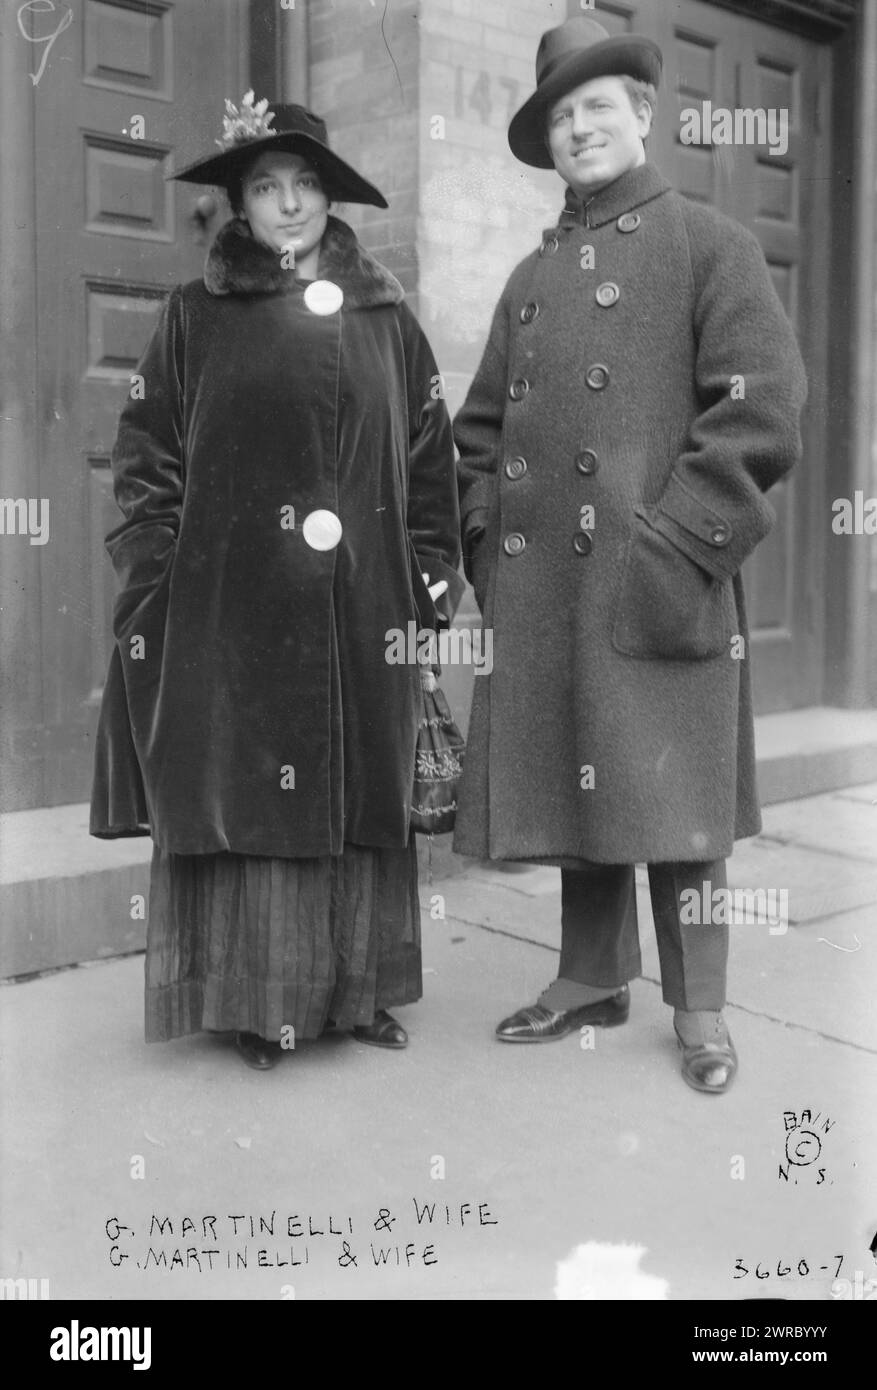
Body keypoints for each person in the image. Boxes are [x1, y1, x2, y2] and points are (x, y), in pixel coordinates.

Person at [453, 18, 807, 1092]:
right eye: (559, 117)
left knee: (679, 804)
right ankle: (588, 977)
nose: (578, 130)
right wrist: (488, 554)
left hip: (661, 577)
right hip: (550, 588)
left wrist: (673, 549)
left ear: (641, 114)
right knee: (578, 780)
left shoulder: (710, 243)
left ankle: (698, 1008)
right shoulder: (528, 276)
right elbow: (474, 436)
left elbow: (759, 415)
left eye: (595, 106)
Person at [90, 95, 463, 1070]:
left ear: (329, 196)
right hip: (233, 608)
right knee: (248, 802)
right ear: (239, 203)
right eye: (266, 186)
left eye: (305, 184)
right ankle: (256, 1005)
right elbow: (146, 458)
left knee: (356, 800)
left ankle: (362, 991)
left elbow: (429, 462)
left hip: (360, 607)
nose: (288, 203)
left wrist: (426, 587)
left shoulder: (387, 318)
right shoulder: (193, 315)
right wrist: (159, 574)